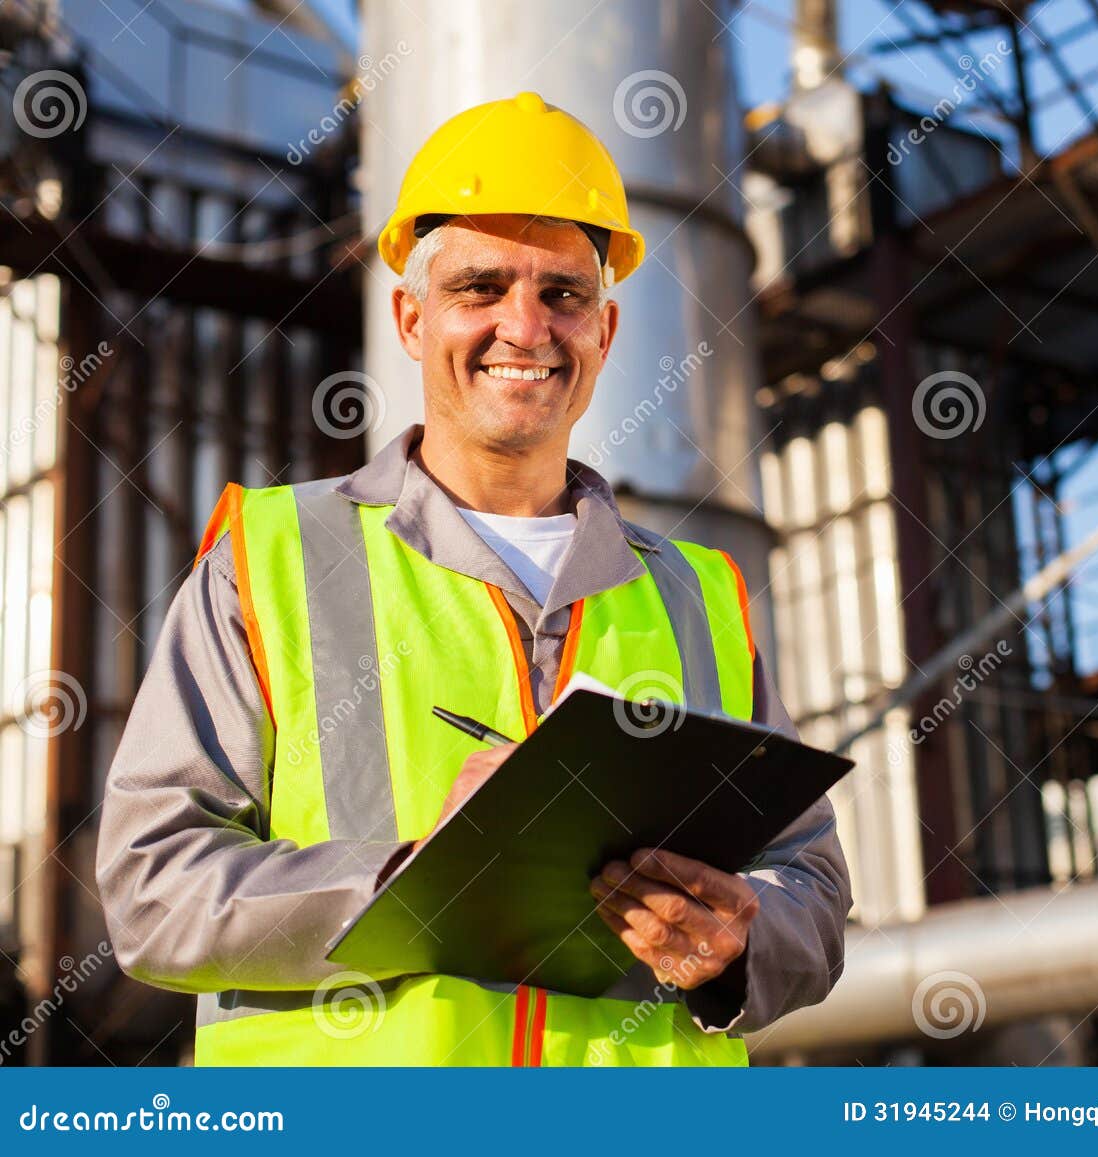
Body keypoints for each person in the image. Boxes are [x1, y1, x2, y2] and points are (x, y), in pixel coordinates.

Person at [93, 91, 851, 1067]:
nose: (524, 327)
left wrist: (740, 941)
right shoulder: (270, 558)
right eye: (481, 287)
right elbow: (154, 887)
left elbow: (810, 887)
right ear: (412, 318)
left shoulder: (698, 596)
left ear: (606, 332)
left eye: (563, 294)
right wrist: (412, 882)